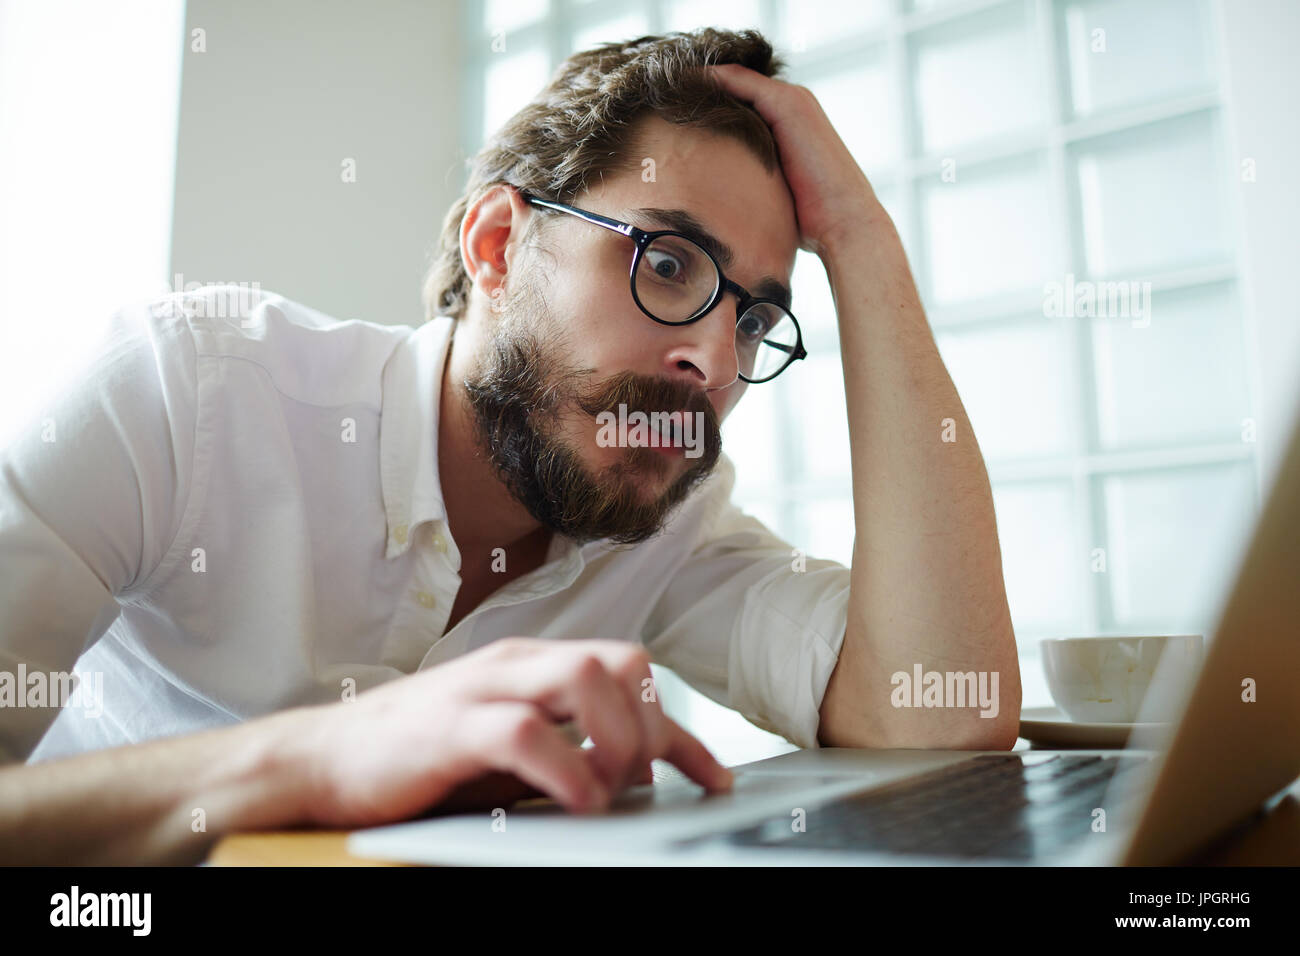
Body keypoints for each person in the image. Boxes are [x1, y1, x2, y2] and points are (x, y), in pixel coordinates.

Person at [0, 28, 1020, 865]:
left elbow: (938, 712)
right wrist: (315, 758)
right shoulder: (184, 390)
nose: (713, 360)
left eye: (755, 320)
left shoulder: (664, 523)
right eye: (667, 263)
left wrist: (860, 238)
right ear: (496, 246)